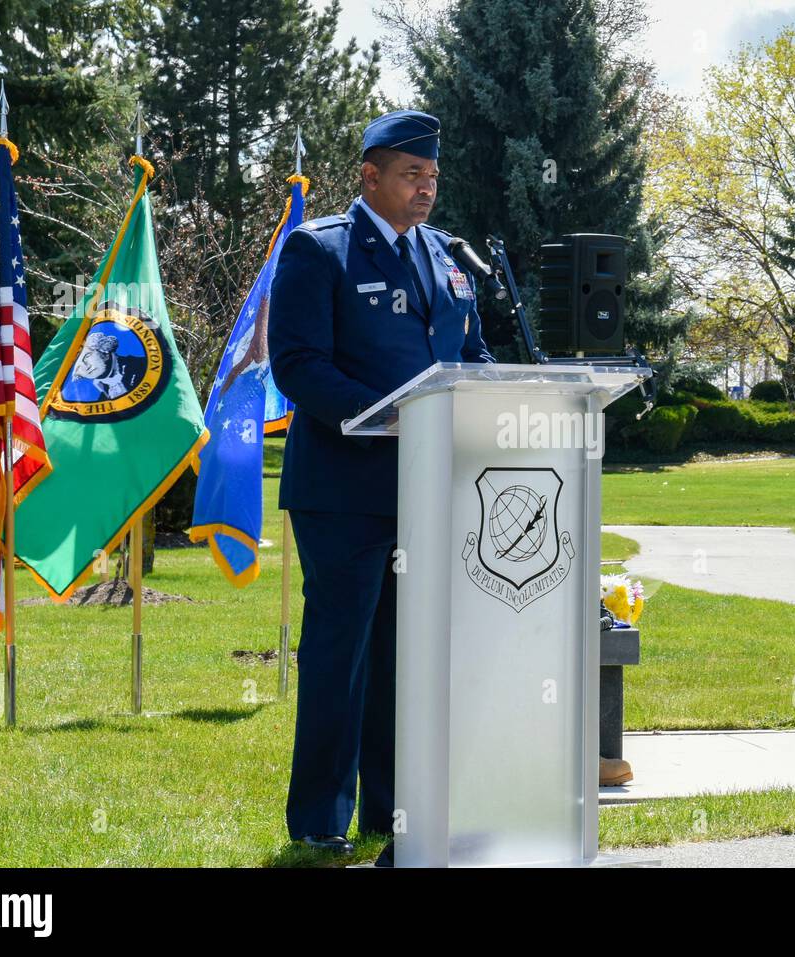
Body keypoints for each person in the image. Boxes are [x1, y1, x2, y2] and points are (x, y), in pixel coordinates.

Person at [268, 109, 494, 865]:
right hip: (343, 489)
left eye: (433, 176)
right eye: (412, 175)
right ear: (370, 176)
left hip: (427, 491)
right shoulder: (319, 249)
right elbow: (296, 364)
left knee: (408, 655)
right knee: (342, 650)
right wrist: (384, 414)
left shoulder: (448, 257)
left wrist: (514, 398)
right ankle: (318, 819)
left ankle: (392, 808)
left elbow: (474, 357)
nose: (427, 188)